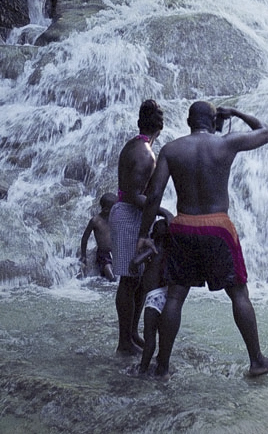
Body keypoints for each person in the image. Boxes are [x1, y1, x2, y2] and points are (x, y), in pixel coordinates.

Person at [136, 101, 268, 379]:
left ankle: (162, 367)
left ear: (188, 122)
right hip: (218, 227)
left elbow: (154, 195)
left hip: (183, 227)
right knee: (238, 295)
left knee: (175, 297)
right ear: (214, 122)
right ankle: (257, 361)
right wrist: (236, 112)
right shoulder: (226, 142)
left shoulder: (171, 149)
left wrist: (143, 235)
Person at [110, 99, 164, 356]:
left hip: (132, 216)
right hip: (128, 216)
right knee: (129, 279)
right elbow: (133, 195)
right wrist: (163, 211)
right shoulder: (145, 154)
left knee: (137, 280)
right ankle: (124, 341)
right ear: (160, 127)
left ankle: (132, 335)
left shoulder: (135, 145)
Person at [135, 215, 169, 376]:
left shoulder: (153, 249)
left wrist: (139, 257)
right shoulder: (170, 251)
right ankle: (160, 364)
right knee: (163, 335)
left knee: (149, 338)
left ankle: (142, 369)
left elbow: (136, 262)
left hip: (153, 298)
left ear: (152, 235)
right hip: (167, 296)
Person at [79, 193, 117, 281]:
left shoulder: (115, 218)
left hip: (115, 252)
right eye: (115, 208)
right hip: (103, 254)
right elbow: (85, 238)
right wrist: (83, 255)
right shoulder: (95, 221)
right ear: (106, 209)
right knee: (112, 278)